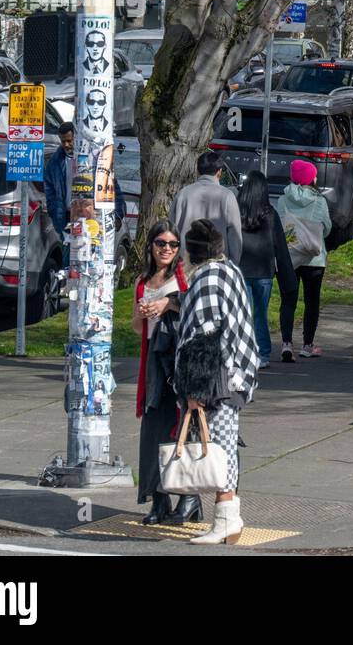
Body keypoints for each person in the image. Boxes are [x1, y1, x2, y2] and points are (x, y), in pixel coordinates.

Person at [174, 219, 258, 545]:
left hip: (217, 381)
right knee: (226, 447)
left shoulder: (206, 279)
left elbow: (203, 339)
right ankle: (230, 519)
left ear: (194, 252)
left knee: (219, 449)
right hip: (235, 375)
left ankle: (225, 519)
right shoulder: (228, 271)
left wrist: (195, 391)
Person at [131, 221, 198, 526]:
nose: (167, 250)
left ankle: (189, 497)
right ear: (151, 246)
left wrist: (168, 304)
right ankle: (158, 500)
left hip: (178, 360)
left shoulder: (184, 277)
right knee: (153, 431)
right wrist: (144, 314)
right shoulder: (142, 282)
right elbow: (136, 327)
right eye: (161, 244)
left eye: (172, 245)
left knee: (181, 430)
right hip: (154, 363)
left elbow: (195, 310)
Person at [236, 170, 297, 368]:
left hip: (242, 270)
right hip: (264, 272)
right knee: (260, 314)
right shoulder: (270, 214)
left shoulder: (237, 212)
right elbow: (279, 245)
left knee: (243, 314)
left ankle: (243, 351)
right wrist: (286, 275)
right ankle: (263, 353)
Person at [277, 159, 332, 362]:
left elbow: (280, 226)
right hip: (314, 258)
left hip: (290, 256)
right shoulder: (319, 202)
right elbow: (326, 228)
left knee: (288, 301)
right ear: (311, 178)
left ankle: (286, 343)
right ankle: (307, 345)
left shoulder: (283, 200)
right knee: (312, 302)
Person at [170, 151, 243, 263]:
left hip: (186, 263)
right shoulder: (227, 196)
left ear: (197, 171)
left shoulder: (183, 194)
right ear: (219, 172)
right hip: (217, 264)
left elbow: (172, 230)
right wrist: (234, 262)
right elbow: (234, 234)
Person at [44, 122, 75, 240]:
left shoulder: (90, 158)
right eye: (63, 141)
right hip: (65, 218)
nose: (66, 145)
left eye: (69, 140)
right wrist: (54, 212)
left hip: (87, 217)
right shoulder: (55, 162)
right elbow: (49, 189)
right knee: (67, 256)